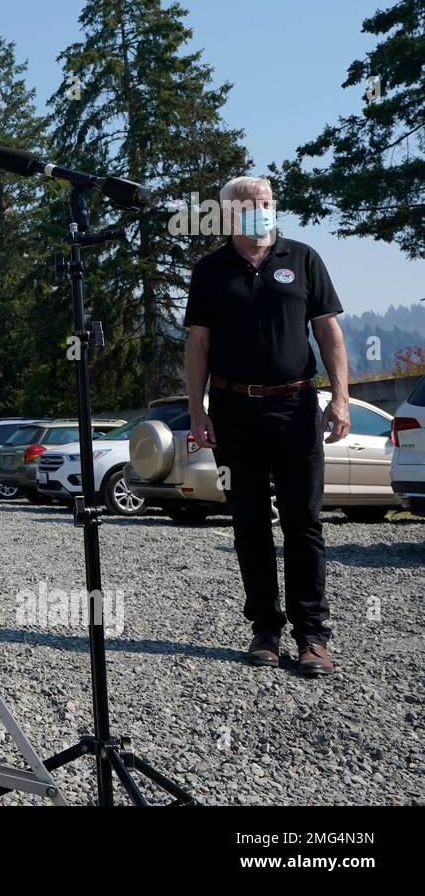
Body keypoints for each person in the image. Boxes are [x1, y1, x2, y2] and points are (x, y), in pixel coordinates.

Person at [184, 175, 349, 677]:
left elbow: (328, 331)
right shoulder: (211, 271)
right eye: (252, 204)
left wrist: (340, 396)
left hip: (296, 408)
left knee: (304, 522)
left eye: (268, 203)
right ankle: (265, 629)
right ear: (229, 213)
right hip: (234, 412)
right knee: (249, 524)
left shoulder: (302, 259)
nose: (262, 209)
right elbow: (198, 344)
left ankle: (312, 635)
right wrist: (197, 408)